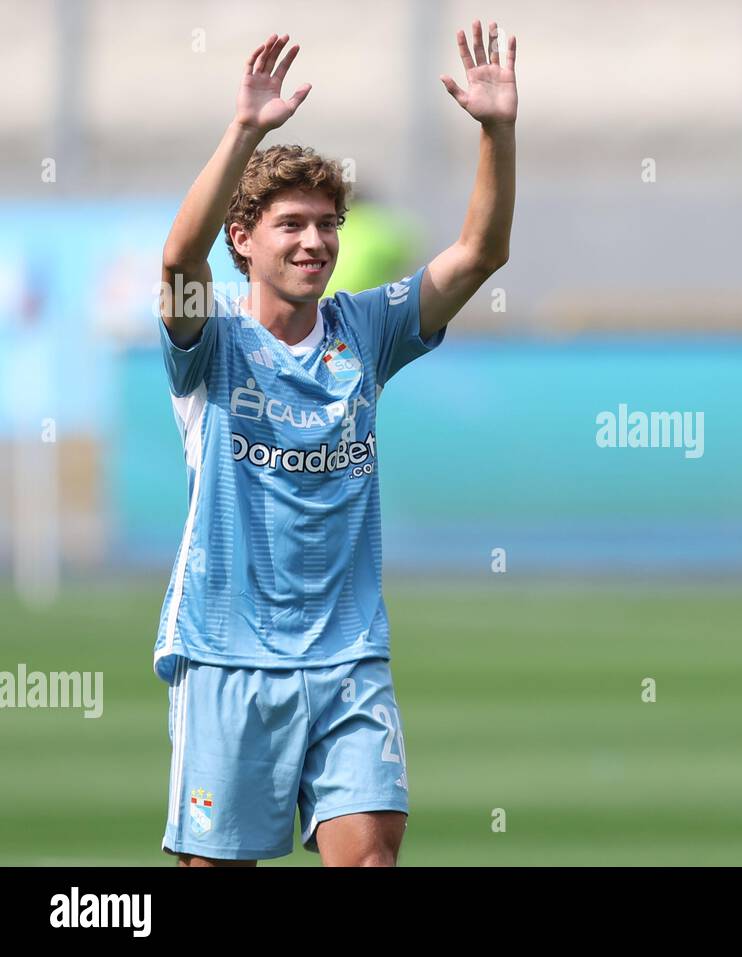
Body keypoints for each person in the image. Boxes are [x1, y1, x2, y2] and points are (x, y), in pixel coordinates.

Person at [154, 23, 516, 866]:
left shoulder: (367, 328)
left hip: (349, 653)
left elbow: (481, 253)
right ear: (243, 239)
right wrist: (244, 131)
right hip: (226, 653)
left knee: (370, 855)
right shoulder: (212, 342)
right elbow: (177, 255)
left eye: (327, 224)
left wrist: (497, 131)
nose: (315, 241)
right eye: (291, 224)